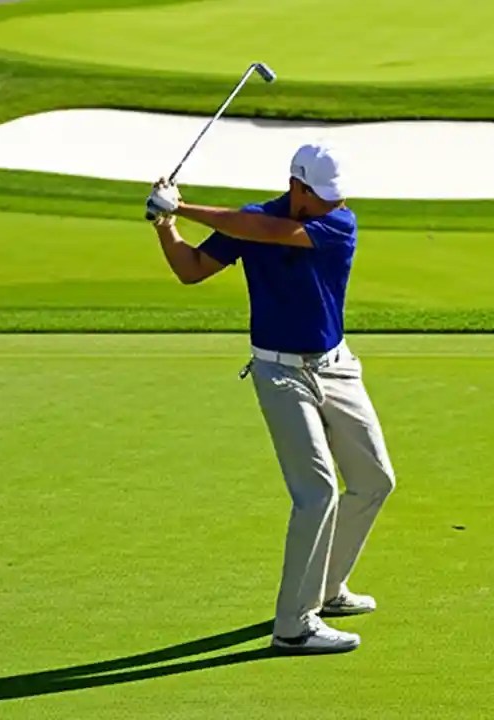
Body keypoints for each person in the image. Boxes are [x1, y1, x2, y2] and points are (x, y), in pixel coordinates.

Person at [145, 143, 396, 655]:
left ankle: (325, 590)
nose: (333, 204)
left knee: (374, 480)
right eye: (320, 196)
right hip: (279, 374)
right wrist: (164, 226)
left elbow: (270, 232)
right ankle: (293, 626)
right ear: (297, 186)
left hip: (336, 368)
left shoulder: (336, 223)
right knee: (317, 492)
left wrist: (183, 207)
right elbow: (191, 269)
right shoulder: (251, 222)